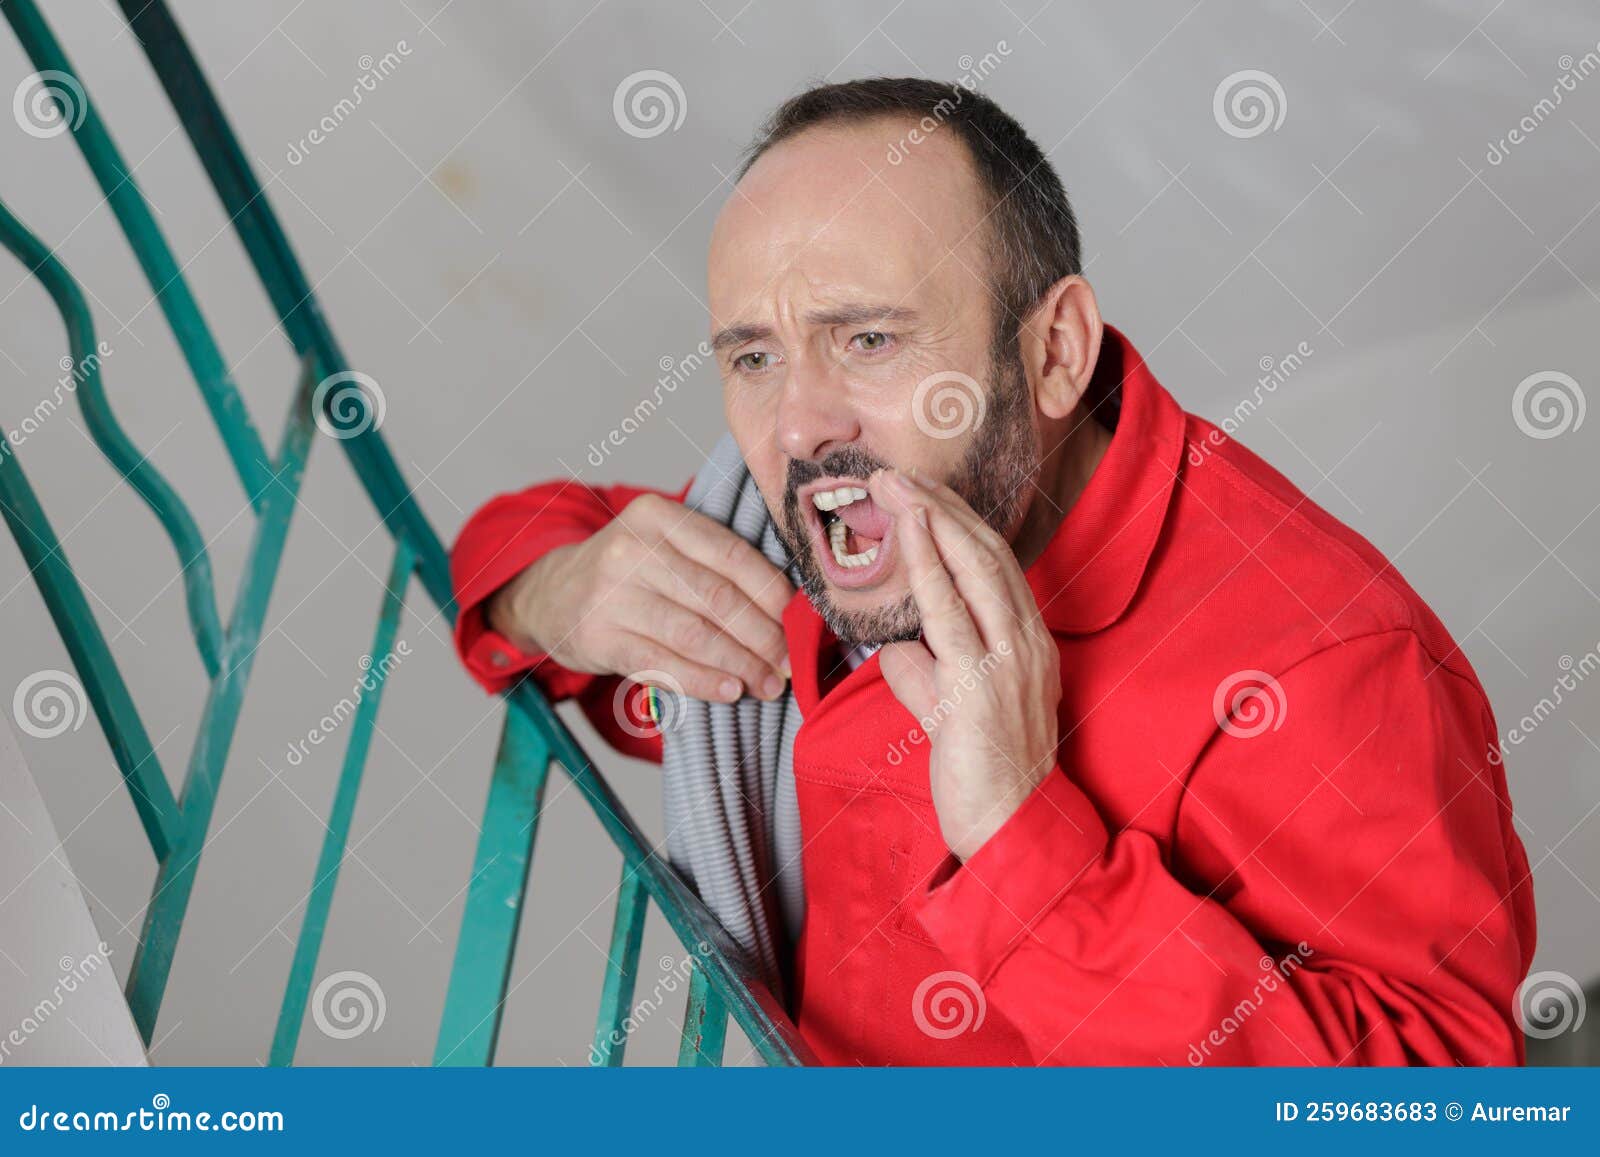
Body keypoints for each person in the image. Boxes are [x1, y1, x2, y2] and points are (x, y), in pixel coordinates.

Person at [449, 78, 1535, 1065]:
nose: (794, 424)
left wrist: (1026, 846)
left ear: (1055, 348)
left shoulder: (1323, 659)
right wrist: (555, 595)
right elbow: (541, 543)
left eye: (868, 340)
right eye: (753, 355)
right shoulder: (820, 546)